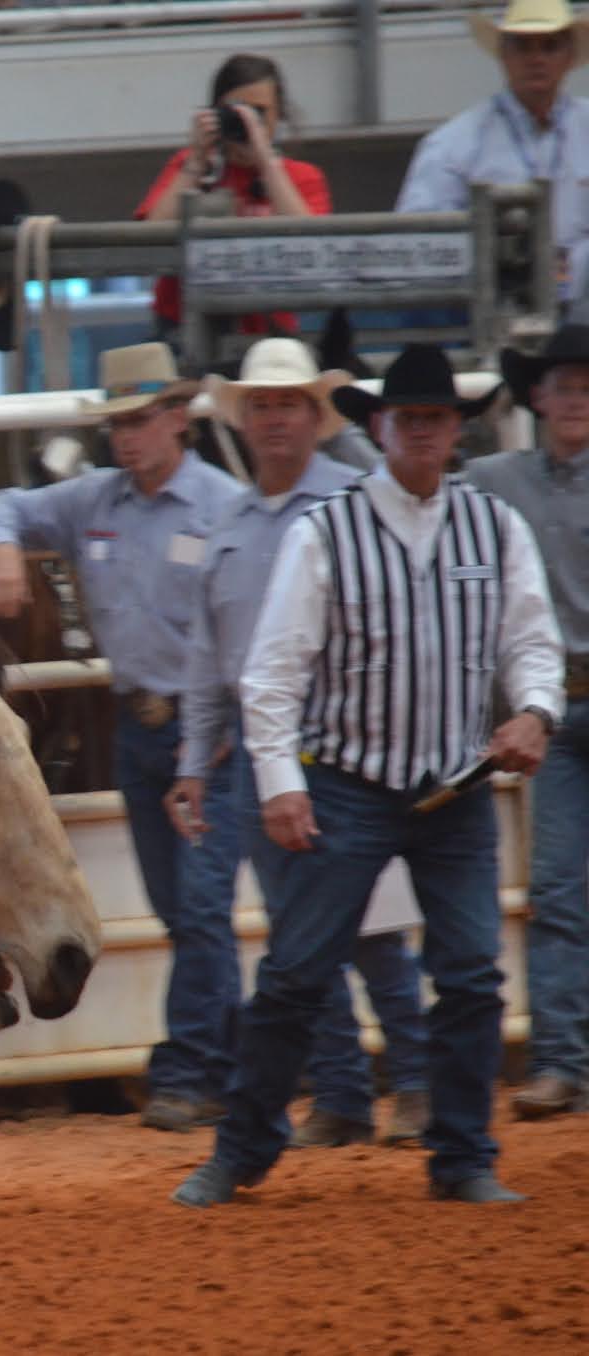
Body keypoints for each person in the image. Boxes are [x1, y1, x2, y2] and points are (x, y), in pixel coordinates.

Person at [173, 343, 565, 1209]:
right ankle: (241, 1148)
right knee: (296, 974)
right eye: (406, 417)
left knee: (469, 976)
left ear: (455, 428)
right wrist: (281, 780)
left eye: (434, 418)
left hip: (453, 784)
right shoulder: (328, 531)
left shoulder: (492, 527)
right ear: (378, 427)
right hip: (348, 779)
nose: (421, 431)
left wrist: (534, 710)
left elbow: (530, 642)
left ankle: (462, 1155)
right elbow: (272, 671)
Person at [169, 338, 431, 1151]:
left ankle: (415, 1085)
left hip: (350, 750)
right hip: (263, 756)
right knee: (298, 937)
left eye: (288, 403)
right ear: (243, 421)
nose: (275, 417)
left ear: (317, 418)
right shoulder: (232, 524)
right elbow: (210, 660)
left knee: (373, 929)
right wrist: (192, 765)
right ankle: (349, 1094)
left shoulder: (356, 502)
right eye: (262, 405)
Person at [0, 344, 242, 1133]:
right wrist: (0, 548)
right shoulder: (96, 500)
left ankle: (190, 1071)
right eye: (119, 422)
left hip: (205, 732)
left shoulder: (223, 506)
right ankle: (236, 1059)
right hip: (140, 730)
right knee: (183, 910)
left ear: (177, 419)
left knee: (197, 909)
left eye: (140, 419)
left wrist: (223, 724)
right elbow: (5, 504)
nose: (127, 436)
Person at [472, 326, 589, 1119]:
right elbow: (402, 476)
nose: (575, 396)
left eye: (586, 384)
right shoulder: (494, 480)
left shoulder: (495, 482)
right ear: (536, 398)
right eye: (561, 384)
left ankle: (560, 1062)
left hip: (554, 711)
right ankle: (560, 1062)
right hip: (556, 709)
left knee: (559, 889)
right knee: (558, 890)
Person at [397, 0, 589, 316]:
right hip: (489, 314)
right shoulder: (453, 143)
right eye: (523, 46)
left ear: (569, 56)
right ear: (504, 53)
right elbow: (418, 242)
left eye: (549, 46)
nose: (536, 58)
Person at [134, 53, 331, 345]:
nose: (247, 124)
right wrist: (196, 161)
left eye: (259, 113)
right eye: (236, 112)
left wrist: (266, 163)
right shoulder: (189, 167)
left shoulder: (302, 177)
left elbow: (313, 246)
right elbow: (149, 237)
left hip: (269, 333)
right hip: (184, 328)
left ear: (279, 115)